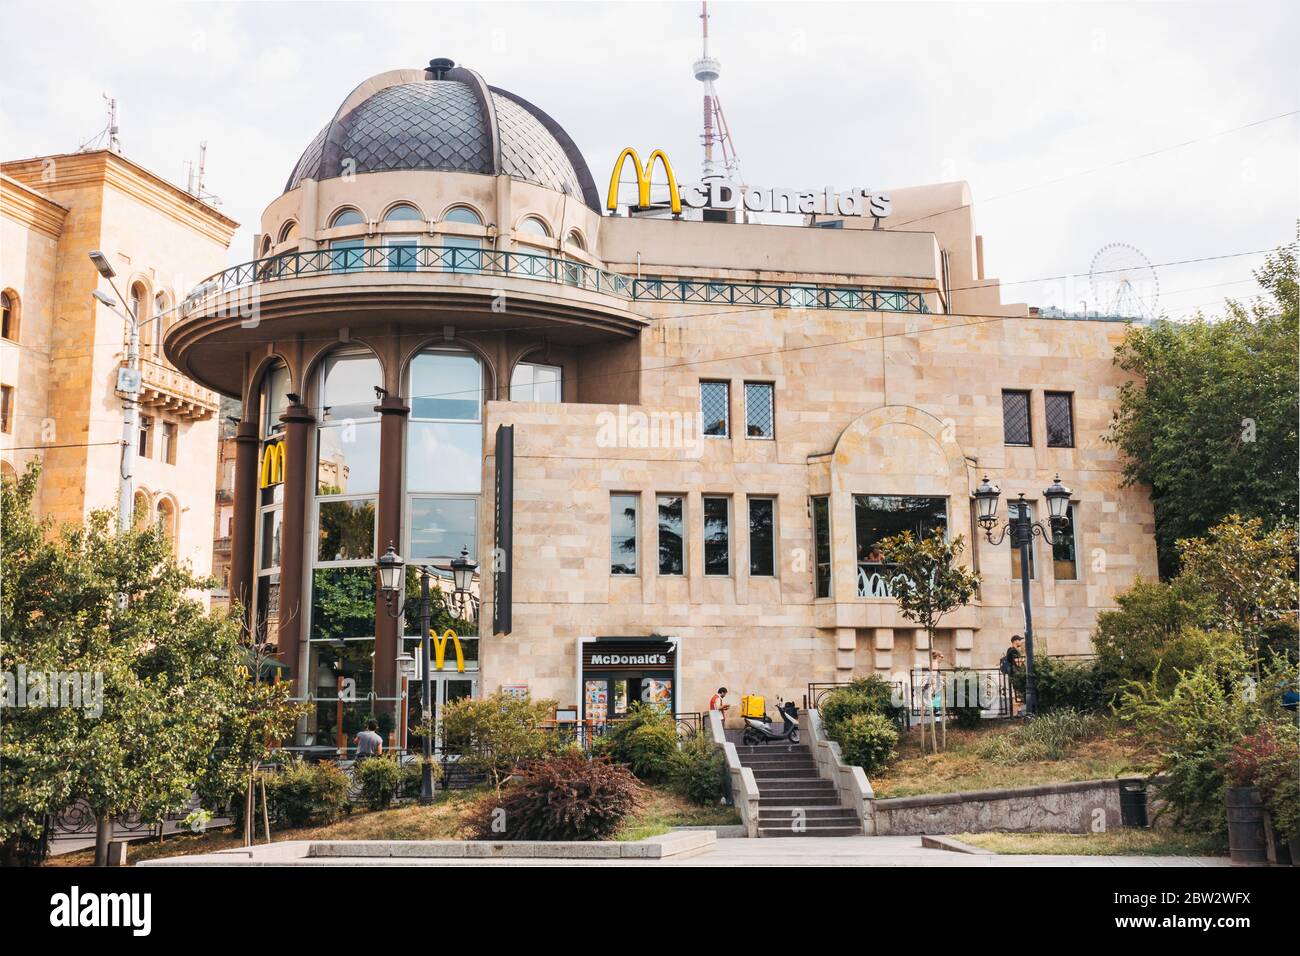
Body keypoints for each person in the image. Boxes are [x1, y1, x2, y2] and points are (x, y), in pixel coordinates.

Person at [1000, 635, 1025, 716]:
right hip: (1016, 674)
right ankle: (1018, 711)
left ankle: (1018, 710)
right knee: (1019, 692)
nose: (1021, 642)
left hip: (1013, 674)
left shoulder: (1009, 650)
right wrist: (1024, 660)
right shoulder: (1014, 651)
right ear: (1015, 641)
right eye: (1019, 640)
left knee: (1017, 692)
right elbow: (1018, 663)